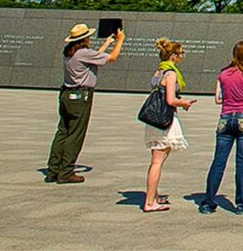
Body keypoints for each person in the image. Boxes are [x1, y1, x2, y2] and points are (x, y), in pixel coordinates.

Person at [45, 23, 125, 184]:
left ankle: (53, 169)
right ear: (84, 39)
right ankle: (66, 171)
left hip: (66, 94)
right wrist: (120, 41)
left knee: (62, 131)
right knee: (75, 134)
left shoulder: (69, 53)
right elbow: (111, 58)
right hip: (80, 97)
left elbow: (94, 58)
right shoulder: (83, 53)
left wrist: (107, 43)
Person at [200, 40, 243, 215]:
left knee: (218, 161)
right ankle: (242, 204)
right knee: (242, 162)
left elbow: (218, 99)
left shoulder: (223, 74)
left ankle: (208, 203)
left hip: (225, 118)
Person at [143, 38, 195, 212]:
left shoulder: (159, 71)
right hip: (164, 119)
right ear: (173, 56)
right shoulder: (171, 74)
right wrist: (184, 103)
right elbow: (170, 99)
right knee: (157, 161)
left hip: (154, 118)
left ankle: (154, 195)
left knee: (157, 159)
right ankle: (150, 201)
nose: (182, 57)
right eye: (181, 54)